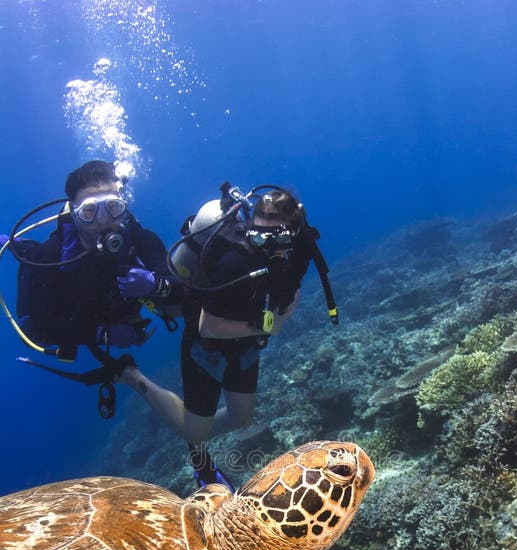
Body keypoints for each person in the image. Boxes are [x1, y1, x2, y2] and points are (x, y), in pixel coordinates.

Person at [119, 186, 318, 487]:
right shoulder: (235, 260)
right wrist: (266, 326)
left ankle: (196, 430)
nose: (268, 246)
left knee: (241, 418)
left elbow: (294, 285)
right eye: (259, 236)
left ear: (294, 230)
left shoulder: (300, 246)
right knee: (194, 431)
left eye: (277, 237)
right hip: (206, 346)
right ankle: (132, 375)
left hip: (246, 342)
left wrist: (286, 304)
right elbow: (206, 327)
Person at [0, 159, 177, 376]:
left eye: (113, 207)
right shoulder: (49, 258)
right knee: (28, 255)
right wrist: (101, 335)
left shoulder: (139, 240)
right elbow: (36, 330)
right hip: (80, 316)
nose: (102, 221)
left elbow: (180, 286)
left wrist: (157, 285)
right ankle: (14, 244)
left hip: (116, 311)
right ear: (74, 212)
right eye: (89, 211)